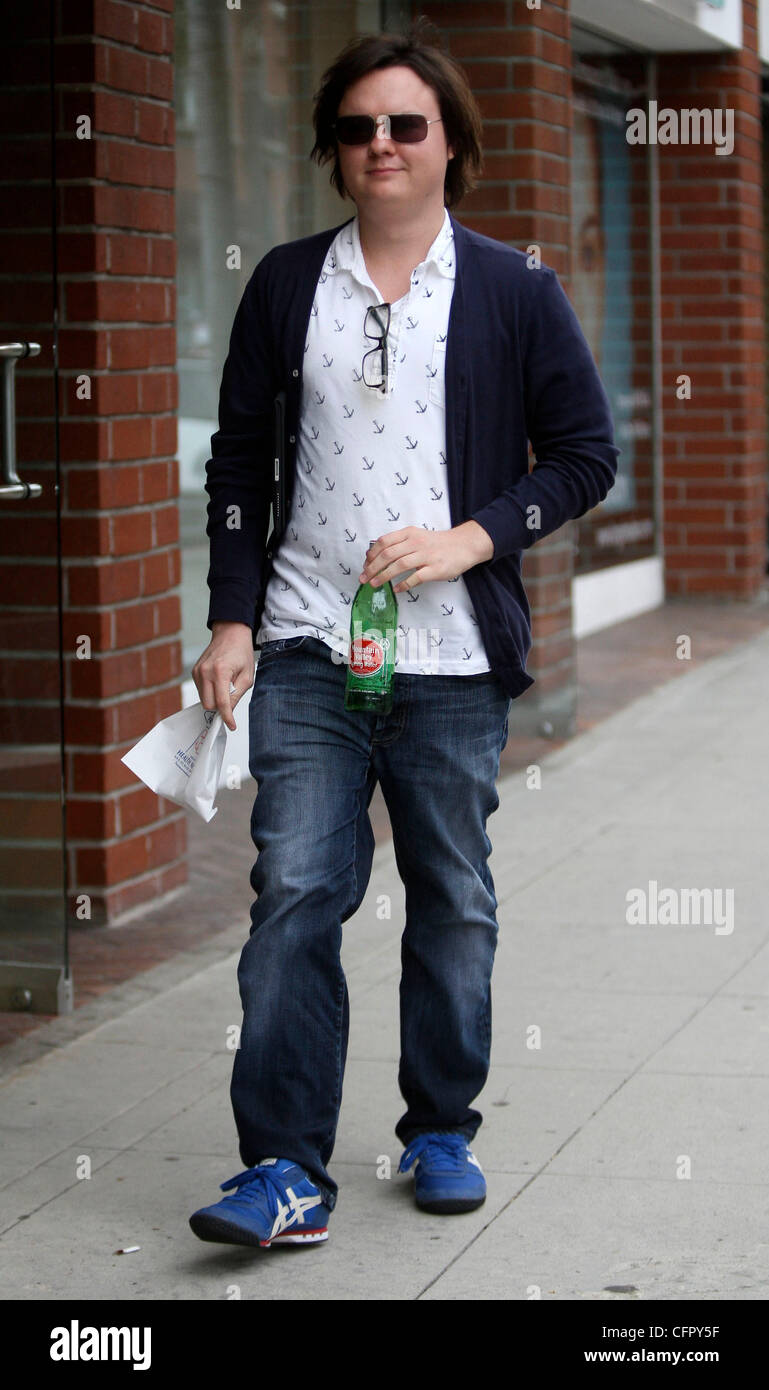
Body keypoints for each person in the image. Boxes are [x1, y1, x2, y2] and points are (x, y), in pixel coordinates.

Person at [189, 18, 619, 1249]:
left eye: (405, 124)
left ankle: (439, 1126)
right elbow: (240, 465)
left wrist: (470, 539)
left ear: (448, 145)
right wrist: (231, 618)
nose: (381, 142)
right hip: (304, 644)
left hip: (451, 658)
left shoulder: (513, 290)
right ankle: (282, 1167)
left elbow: (585, 455)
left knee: (452, 895)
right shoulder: (286, 284)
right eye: (358, 126)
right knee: (295, 891)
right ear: (334, 148)